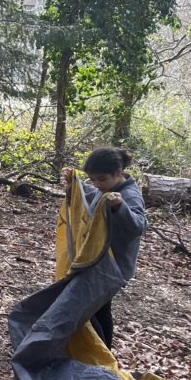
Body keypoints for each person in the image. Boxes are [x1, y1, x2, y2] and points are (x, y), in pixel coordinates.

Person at [62, 147, 147, 349]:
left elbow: (139, 226)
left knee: (98, 310)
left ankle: (102, 352)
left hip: (114, 266)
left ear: (118, 173)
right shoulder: (105, 189)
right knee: (94, 309)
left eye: (102, 179)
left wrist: (119, 206)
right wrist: (76, 184)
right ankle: (93, 350)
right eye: (93, 179)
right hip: (99, 261)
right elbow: (94, 194)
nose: (97, 184)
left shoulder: (129, 194)